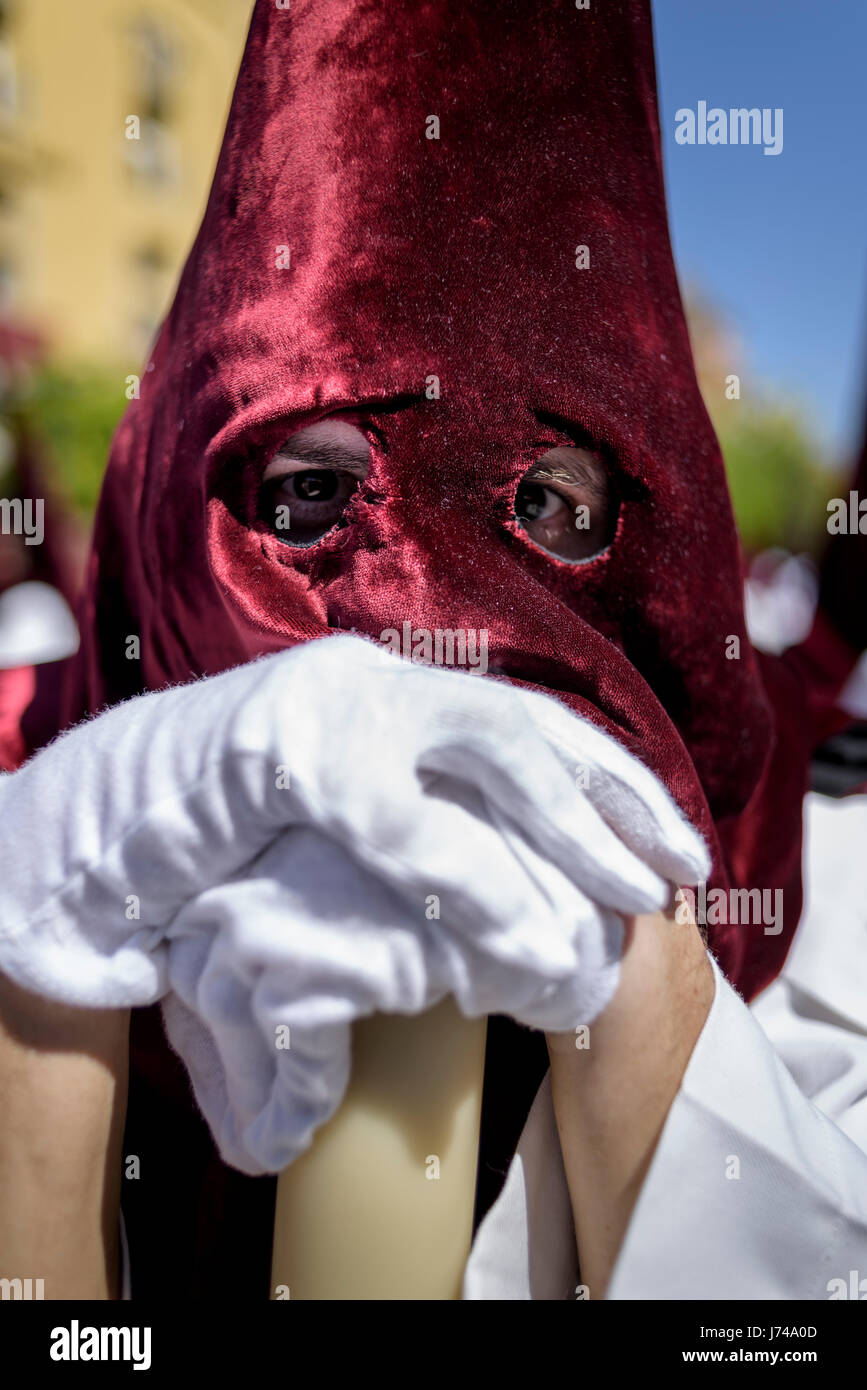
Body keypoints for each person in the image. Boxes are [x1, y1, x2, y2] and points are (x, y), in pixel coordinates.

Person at [1, 0, 866, 1302]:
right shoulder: (35, 796)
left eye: (548, 508)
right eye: (309, 497)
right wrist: (41, 1035)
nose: (422, 621)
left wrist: (655, 1006)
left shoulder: (827, 883)